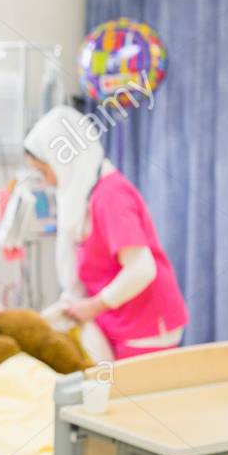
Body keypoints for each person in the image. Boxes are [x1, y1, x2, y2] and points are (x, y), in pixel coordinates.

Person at [23, 106, 188, 361]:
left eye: (44, 172)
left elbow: (141, 270)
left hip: (146, 324)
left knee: (131, 398)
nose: (45, 183)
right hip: (118, 317)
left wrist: (92, 307)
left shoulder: (110, 196)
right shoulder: (82, 198)